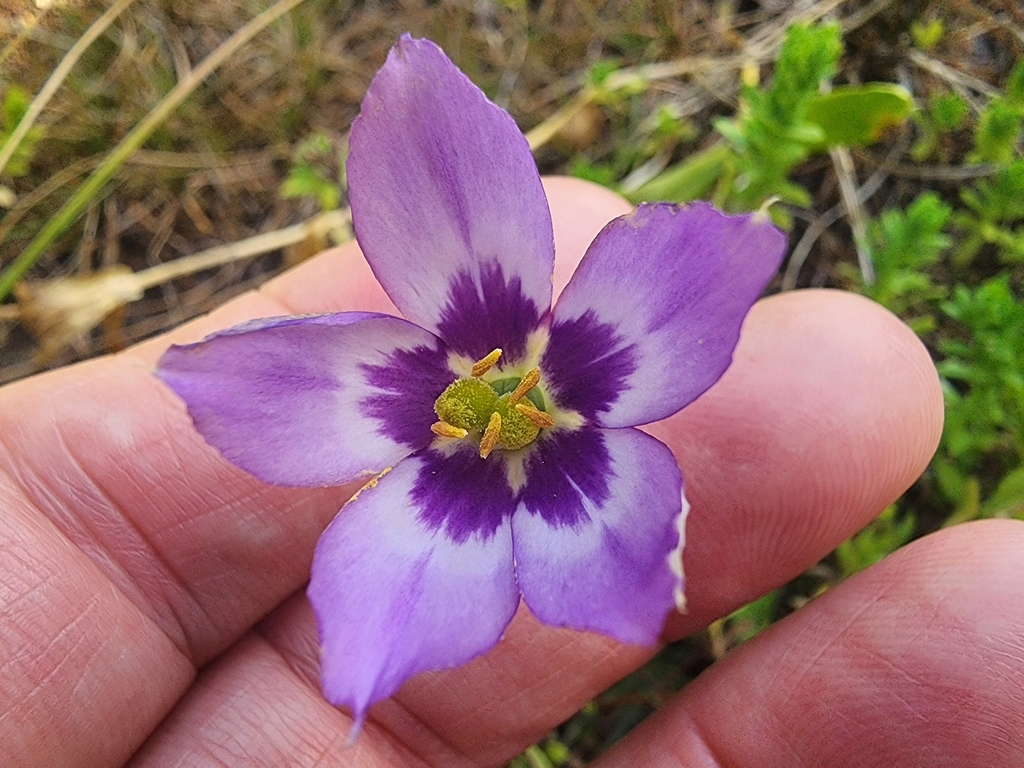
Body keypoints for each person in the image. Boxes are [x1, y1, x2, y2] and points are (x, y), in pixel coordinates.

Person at [0, 178, 1020, 767]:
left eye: (494, 403)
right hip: (467, 507)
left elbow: (631, 567)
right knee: (363, 660)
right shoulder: (443, 412)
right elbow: (273, 401)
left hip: (578, 479)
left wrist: (740, 250)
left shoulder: (580, 395)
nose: (489, 405)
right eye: (484, 404)